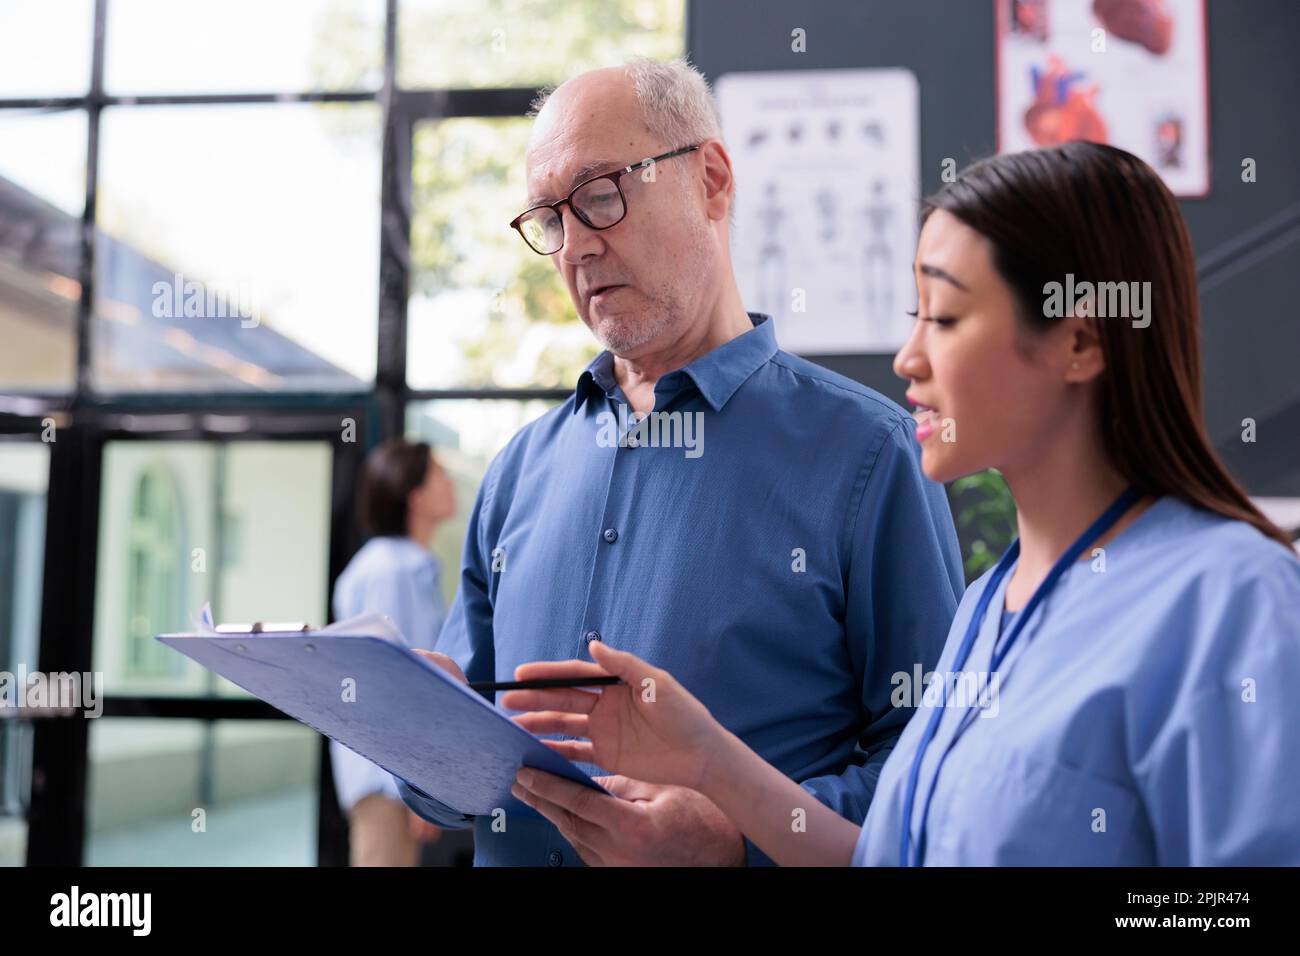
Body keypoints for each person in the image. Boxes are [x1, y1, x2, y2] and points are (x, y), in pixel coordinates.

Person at [504, 141, 1300, 865]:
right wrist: (710, 760)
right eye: (914, 316)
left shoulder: (1232, 599)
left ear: (1081, 341)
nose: (907, 356)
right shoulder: (993, 605)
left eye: (945, 317)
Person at [396, 57, 964, 866]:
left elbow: (933, 772)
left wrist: (736, 842)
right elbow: (466, 765)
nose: (577, 249)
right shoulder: (518, 469)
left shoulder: (868, 457)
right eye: (550, 220)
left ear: (713, 181)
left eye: (600, 195)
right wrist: (417, 733)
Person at [332, 438, 456, 866]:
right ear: (415, 496)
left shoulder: (402, 565)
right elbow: (396, 686)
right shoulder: (394, 571)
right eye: (439, 473)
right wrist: (416, 785)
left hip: (387, 777)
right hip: (388, 782)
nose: (450, 482)